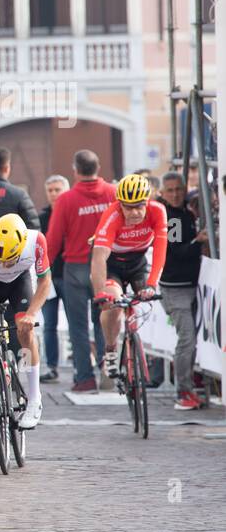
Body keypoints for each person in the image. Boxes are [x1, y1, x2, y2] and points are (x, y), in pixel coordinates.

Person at [0, 214, 52, 431]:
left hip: (18, 284)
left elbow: (45, 281)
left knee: (25, 331)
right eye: (0, 259)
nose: (5, 264)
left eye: (10, 258)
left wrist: (32, 314)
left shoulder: (36, 241)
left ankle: (34, 398)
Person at [45, 150, 116, 392]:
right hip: (106, 264)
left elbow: (53, 240)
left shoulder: (66, 200)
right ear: (98, 167)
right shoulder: (113, 194)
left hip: (75, 267)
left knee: (78, 326)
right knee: (104, 320)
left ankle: (84, 378)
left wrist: (42, 269)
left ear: (75, 171)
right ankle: (108, 372)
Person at [93, 174, 168, 382]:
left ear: (148, 201)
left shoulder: (158, 211)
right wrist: (100, 293)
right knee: (113, 302)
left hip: (138, 264)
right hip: (112, 266)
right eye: (128, 207)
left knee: (145, 293)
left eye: (139, 206)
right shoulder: (112, 216)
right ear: (120, 205)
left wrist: (152, 284)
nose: (134, 212)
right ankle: (110, 350)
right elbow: (99, 258)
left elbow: (161, 250)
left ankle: (133, 340)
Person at [157, 171, 208, 410]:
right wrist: (198, 241)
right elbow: (175, 252)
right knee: (186, 339)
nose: (176, 194)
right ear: (162, 193)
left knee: (191, 340)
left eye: (179, 189)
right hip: (175, 287)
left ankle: (189, 388)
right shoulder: (172, 218)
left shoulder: (186, 212)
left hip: (190, 285)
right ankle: (182, 392)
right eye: (170, 190)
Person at [38, 174, 70, 382]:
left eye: (58, 189)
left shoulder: (71, 213)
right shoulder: (41, 217)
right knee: (49, 324)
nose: (54, 194)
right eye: (50, 190)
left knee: (78, 324)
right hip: (48, 277)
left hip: (70, 275)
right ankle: (52, 367)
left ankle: (83, 369)